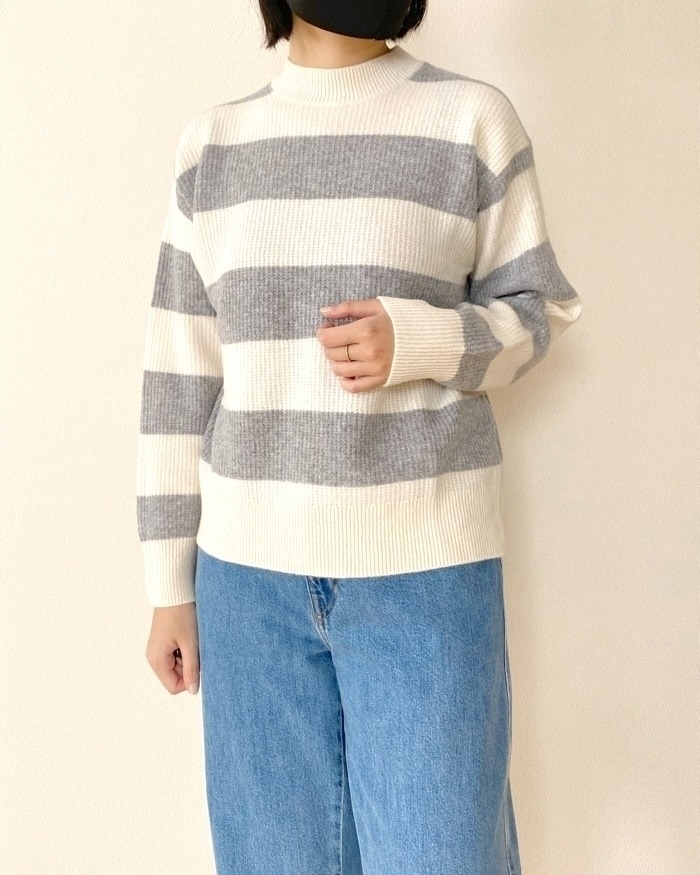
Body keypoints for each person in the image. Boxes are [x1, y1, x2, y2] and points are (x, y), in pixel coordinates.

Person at [136, 1, 582, 872]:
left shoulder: (470, 120)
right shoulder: (213, 146)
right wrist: (168, 585)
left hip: (426, 575)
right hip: (246, 585)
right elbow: (177, 377)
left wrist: (422, 338)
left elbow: (541, 310)